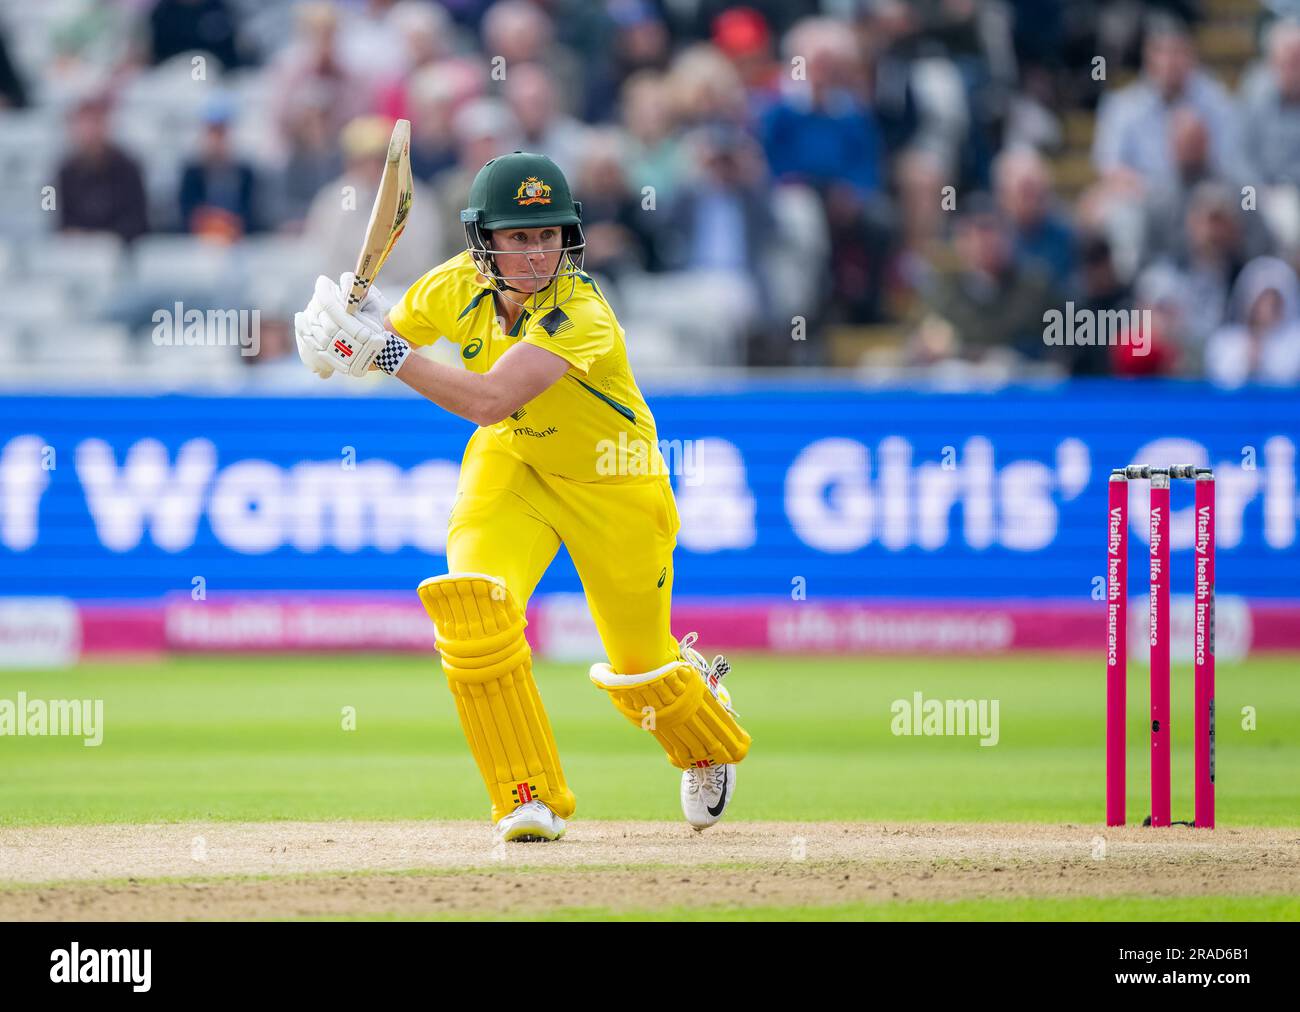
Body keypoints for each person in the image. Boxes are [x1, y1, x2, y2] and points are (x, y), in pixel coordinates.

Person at [293, 151, 751, 842]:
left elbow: (488, 397)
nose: (538, 254)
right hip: (514, 463)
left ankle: (705, 733)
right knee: (473, 603)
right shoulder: (451, 287)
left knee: (640, 672)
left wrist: (374, 353)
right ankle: (525, 795)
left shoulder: (582, 313)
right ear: (485, 244)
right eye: (519, 237)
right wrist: (328, 342)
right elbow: (379, 345)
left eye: (548, 236)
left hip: (613, 481)